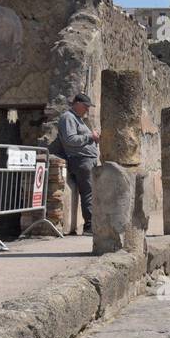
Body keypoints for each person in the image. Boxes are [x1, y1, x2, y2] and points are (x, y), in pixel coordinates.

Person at [55, 93, 99, 234]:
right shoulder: (68, 117)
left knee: (91, 193)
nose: (87, 110)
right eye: (85, 106)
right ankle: (89, 226)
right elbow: (70, 139)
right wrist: (90, 137)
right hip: (80, 160)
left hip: (87, 160)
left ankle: (92, 224)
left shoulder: (78, 119)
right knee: (88, 193)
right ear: (77, 103)